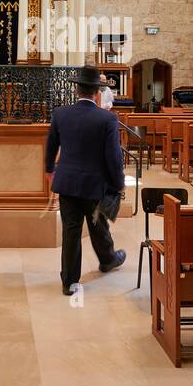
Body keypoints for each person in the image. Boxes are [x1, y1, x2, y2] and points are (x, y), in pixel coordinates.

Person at [45, 65, 127, 296]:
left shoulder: (61, 114)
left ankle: (69, 282)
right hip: (94, 184)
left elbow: (51, 145)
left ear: (77, 90)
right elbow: (113, 156)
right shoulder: (107, 119)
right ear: (97, 92)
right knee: (97, 224)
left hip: (68, 183)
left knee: (71, 231)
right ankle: (108, 258)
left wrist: (49, 169)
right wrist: (118, 182)